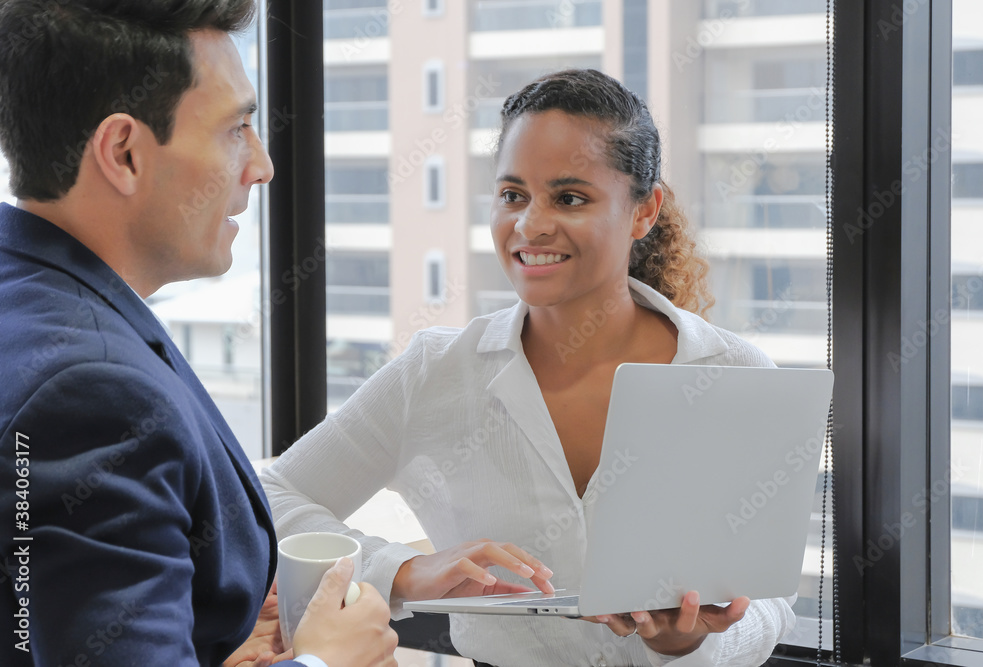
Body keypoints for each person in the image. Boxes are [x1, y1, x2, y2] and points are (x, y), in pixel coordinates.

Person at [261, 68, 795, 667]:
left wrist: (691, 642)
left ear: (644, 211)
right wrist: (402, 571)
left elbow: (772, 603)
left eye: (569, 197)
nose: (531, 224)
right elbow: (270, 497)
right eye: (514, 195)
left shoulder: (734, 372)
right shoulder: (437, 371)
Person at [0, 2, 397, 666]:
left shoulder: (33, 288)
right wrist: (326, 661)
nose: (263, 165)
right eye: (237, 127)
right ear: (123, 151)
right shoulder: (93, 392)